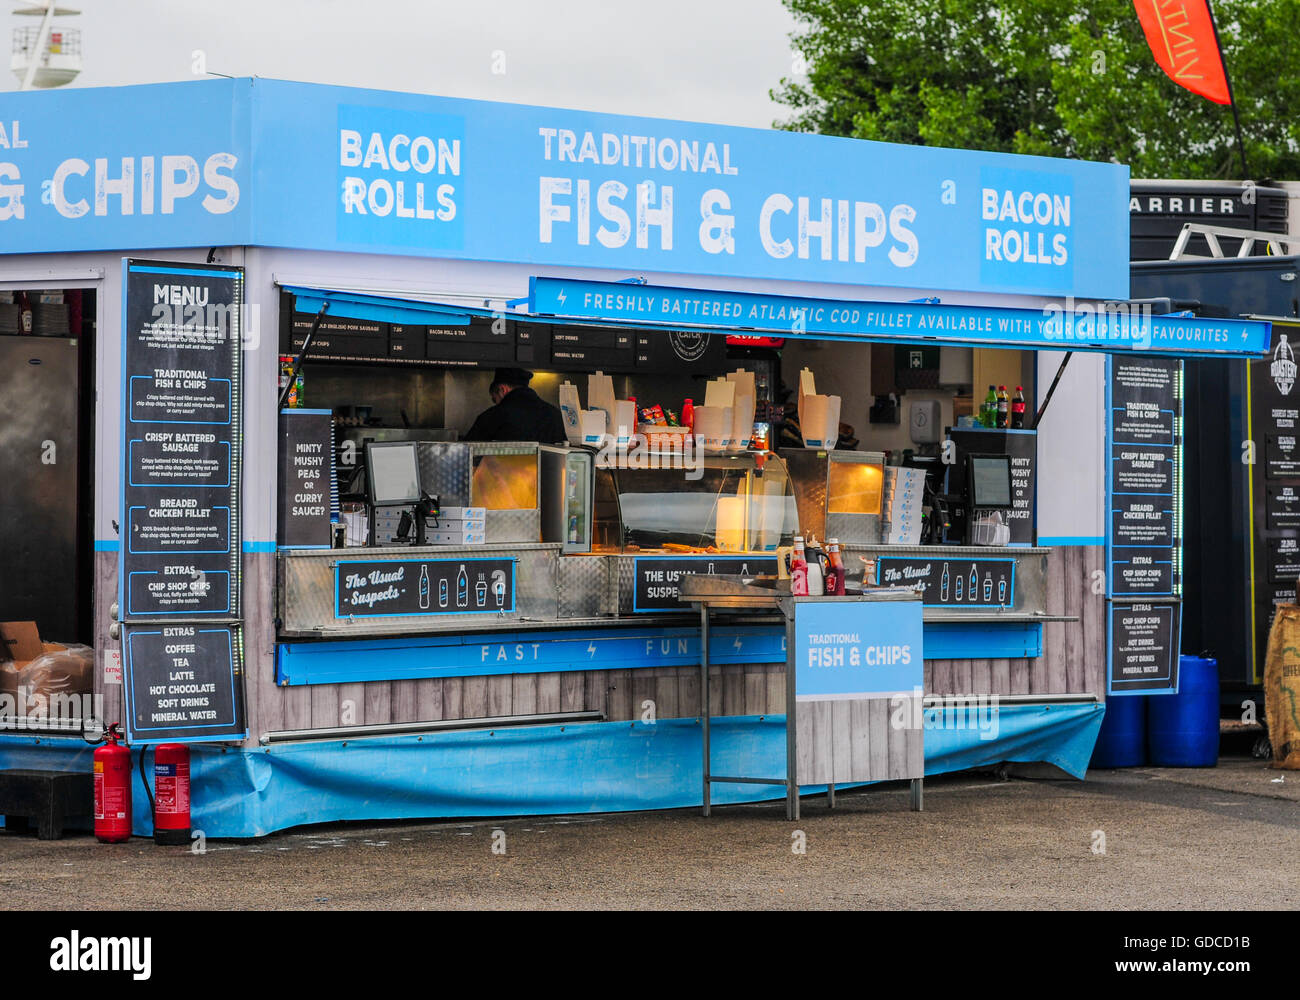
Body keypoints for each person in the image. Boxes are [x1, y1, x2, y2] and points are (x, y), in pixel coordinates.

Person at [464, 367, 567, 443]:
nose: (495, 403)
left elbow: (466, 455)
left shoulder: (492, 417)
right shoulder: (555, 415)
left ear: (502, 390)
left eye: (494, 399)